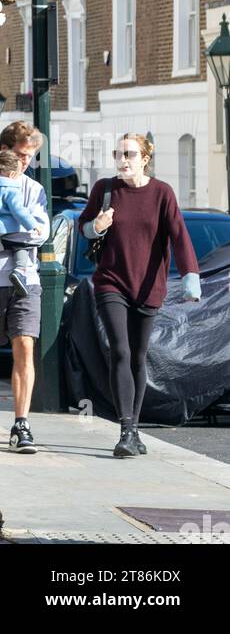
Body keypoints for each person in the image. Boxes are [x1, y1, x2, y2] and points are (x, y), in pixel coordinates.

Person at [78, 133, 201, 459]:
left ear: (145, 158)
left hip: (148, 286)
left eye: (129, 154)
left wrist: (191, 278)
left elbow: (178, 234)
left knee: (138, 355)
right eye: (118, 154)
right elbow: (83, 227)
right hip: (111, 282)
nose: (122, 160)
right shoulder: (105, 189)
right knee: (120, 349)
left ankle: (134, 428)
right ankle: (127, 430)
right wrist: (98, 225)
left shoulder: (162, 193)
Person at [0, 121, 49, 454]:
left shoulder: (34, 189)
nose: (25, 163)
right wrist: (13, 234)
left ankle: (21, 424)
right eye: (21, 155)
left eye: (30, 157)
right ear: (5, 150)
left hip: (26, 280)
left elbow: (39, 234)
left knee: (24, 345)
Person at [0, 149, 41, 296]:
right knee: (21, 245)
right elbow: (19, 211)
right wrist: (32, 225)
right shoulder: (11, 189)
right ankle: (19, 271)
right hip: (4, 228)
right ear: (13, 174)